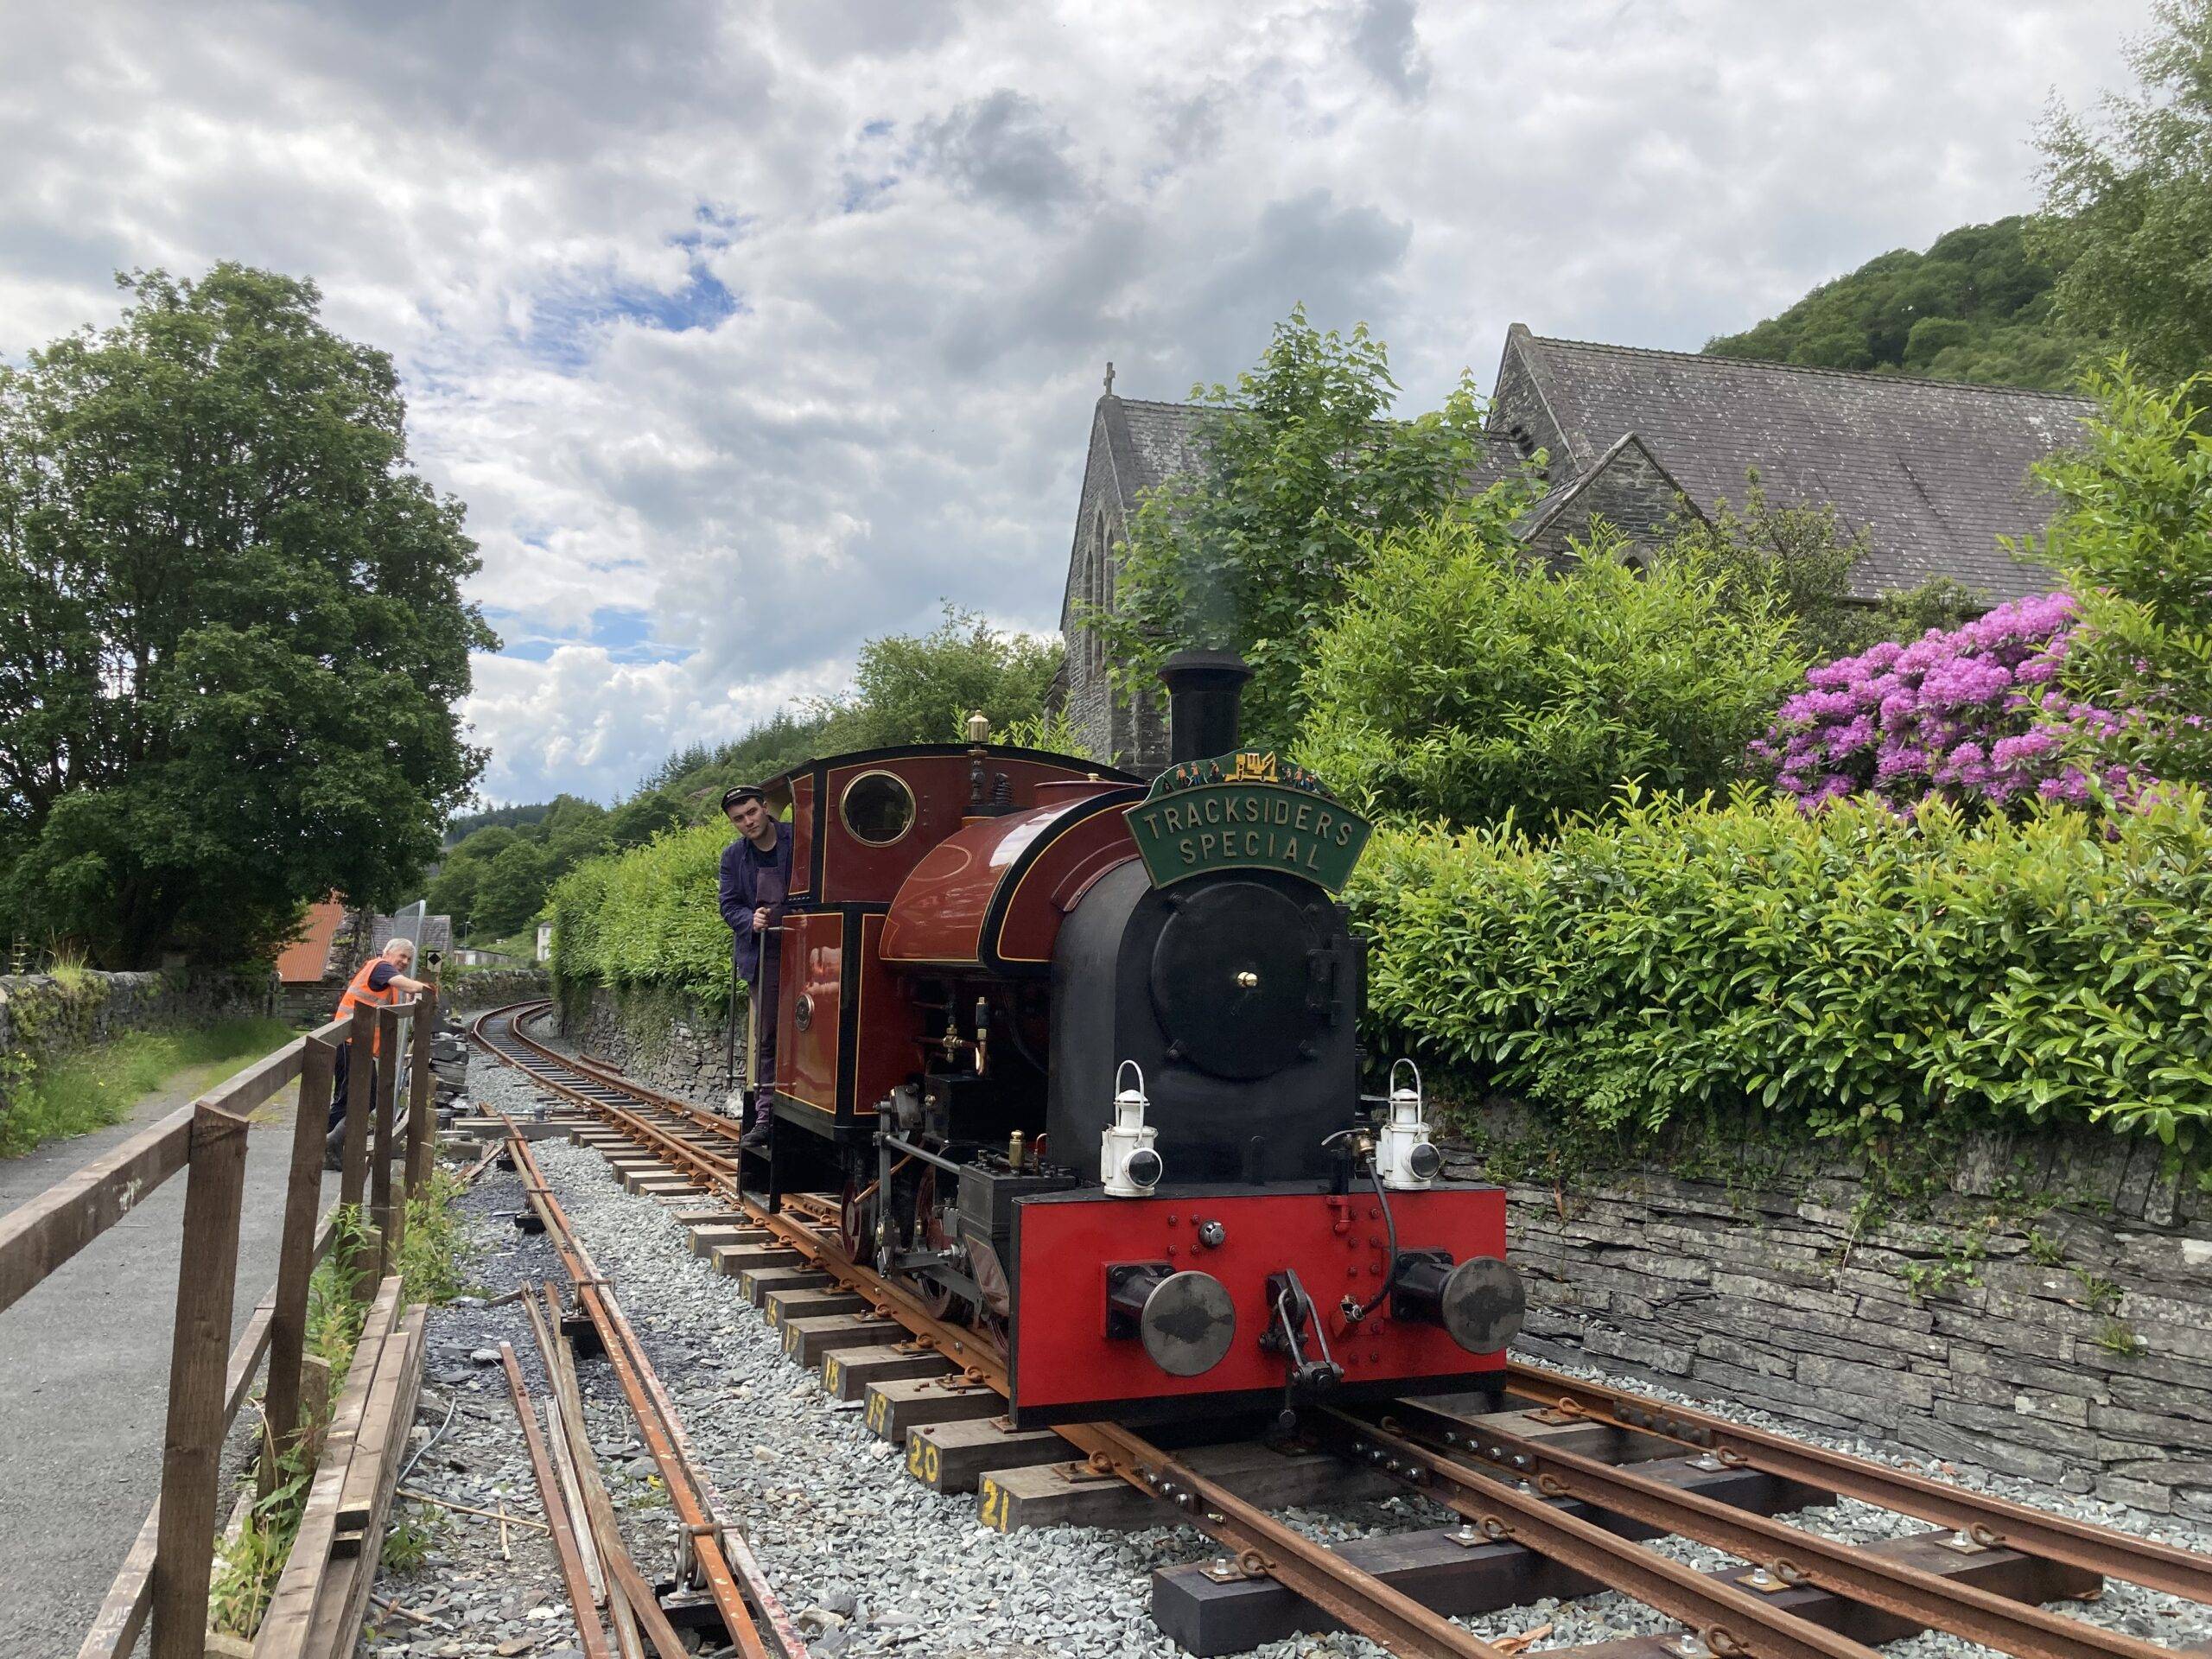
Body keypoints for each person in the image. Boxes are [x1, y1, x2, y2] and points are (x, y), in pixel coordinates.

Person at [718, 784, 793, 1151]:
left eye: (751, 812)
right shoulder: (732, 858)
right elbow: (729, 905)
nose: (748, 821)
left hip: (809, 948)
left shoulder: (800, 839)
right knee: (768, 1037)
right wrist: (752, 919)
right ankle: (765, 1117)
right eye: (739, 819)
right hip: (764, 954)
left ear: (765, 808)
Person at [327, 938, 433, 1170]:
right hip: (351, 1043)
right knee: (363, 1099)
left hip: (354, 1044)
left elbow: (399, 996)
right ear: (388, 952)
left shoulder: (384, 975)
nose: (404, 961)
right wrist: (427, 989)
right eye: (402, 956)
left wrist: (411, 994)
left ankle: (324, 1147)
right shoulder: (381, 967)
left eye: (408, 959)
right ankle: (329, 1143)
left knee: (348, 1100)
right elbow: (409, 986)